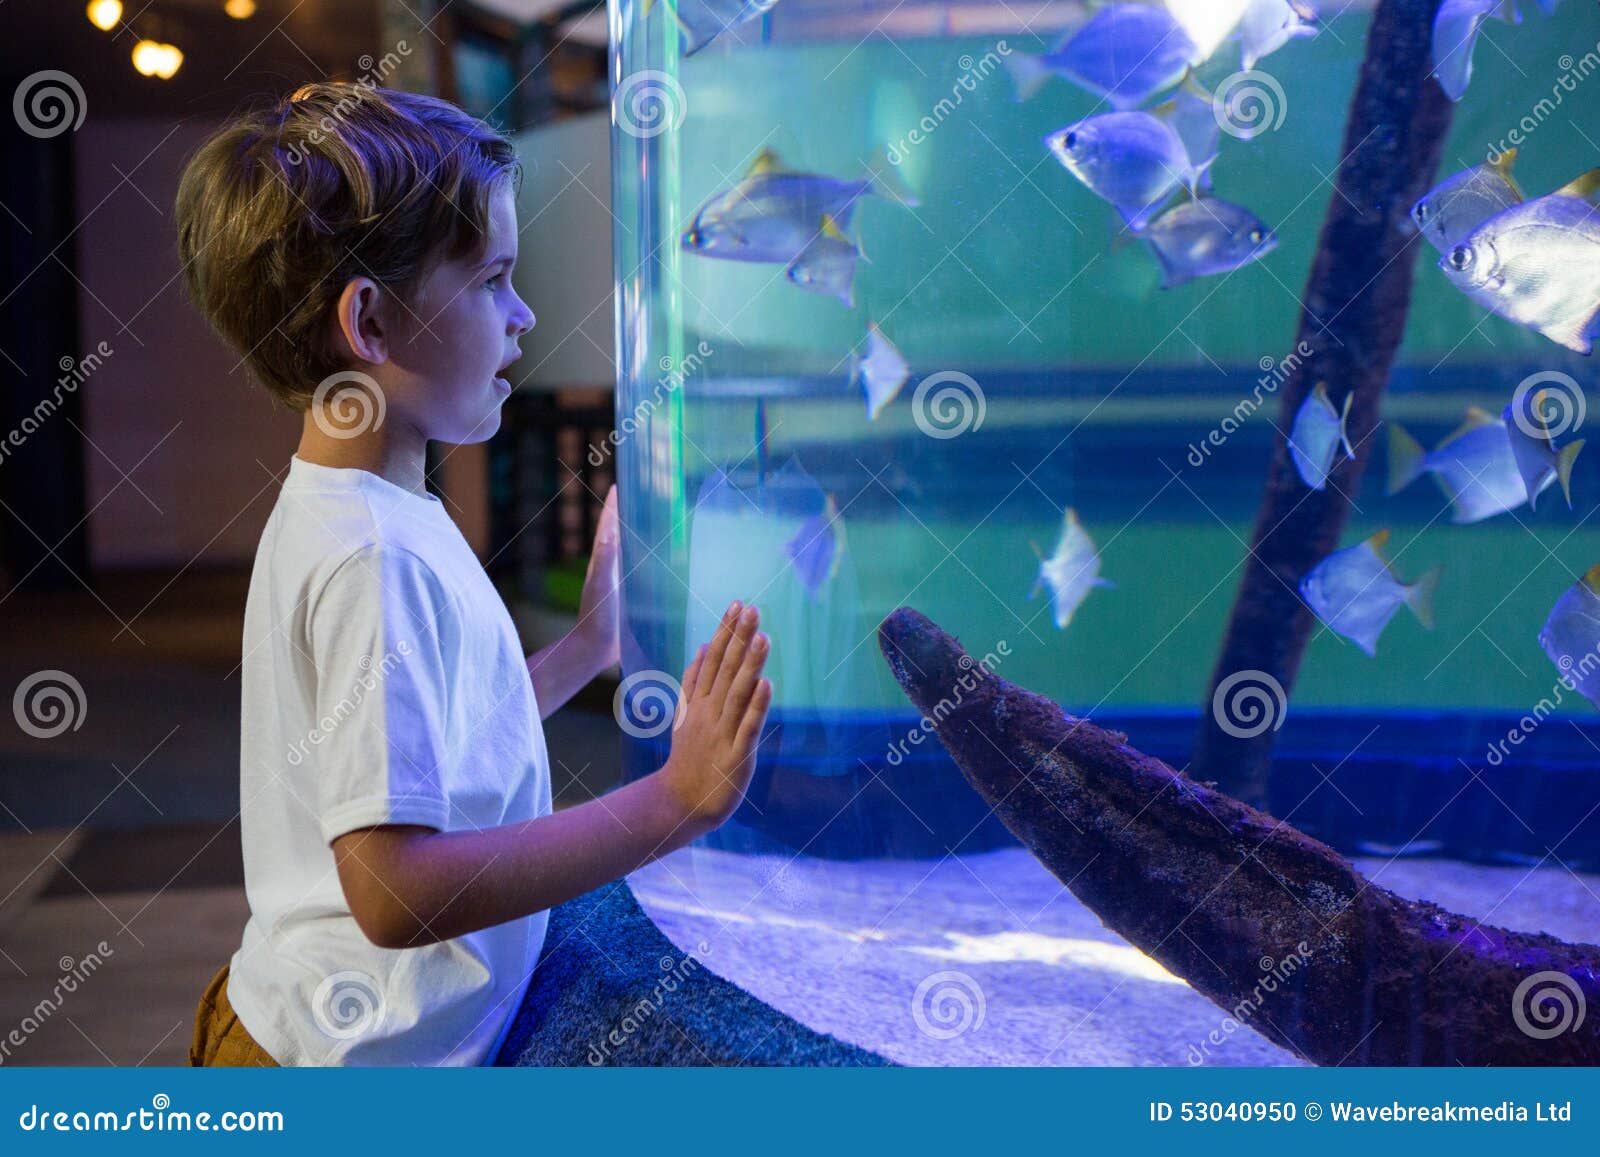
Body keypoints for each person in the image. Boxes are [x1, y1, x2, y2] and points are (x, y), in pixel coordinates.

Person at [175, 81, 771, 1066]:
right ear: (367, 322)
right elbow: (393, 889)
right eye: (493, 279)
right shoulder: (373, 554)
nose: (524, 313)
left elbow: (426, 745)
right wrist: (678, 800)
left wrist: (587, 649)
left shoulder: (366, 505)